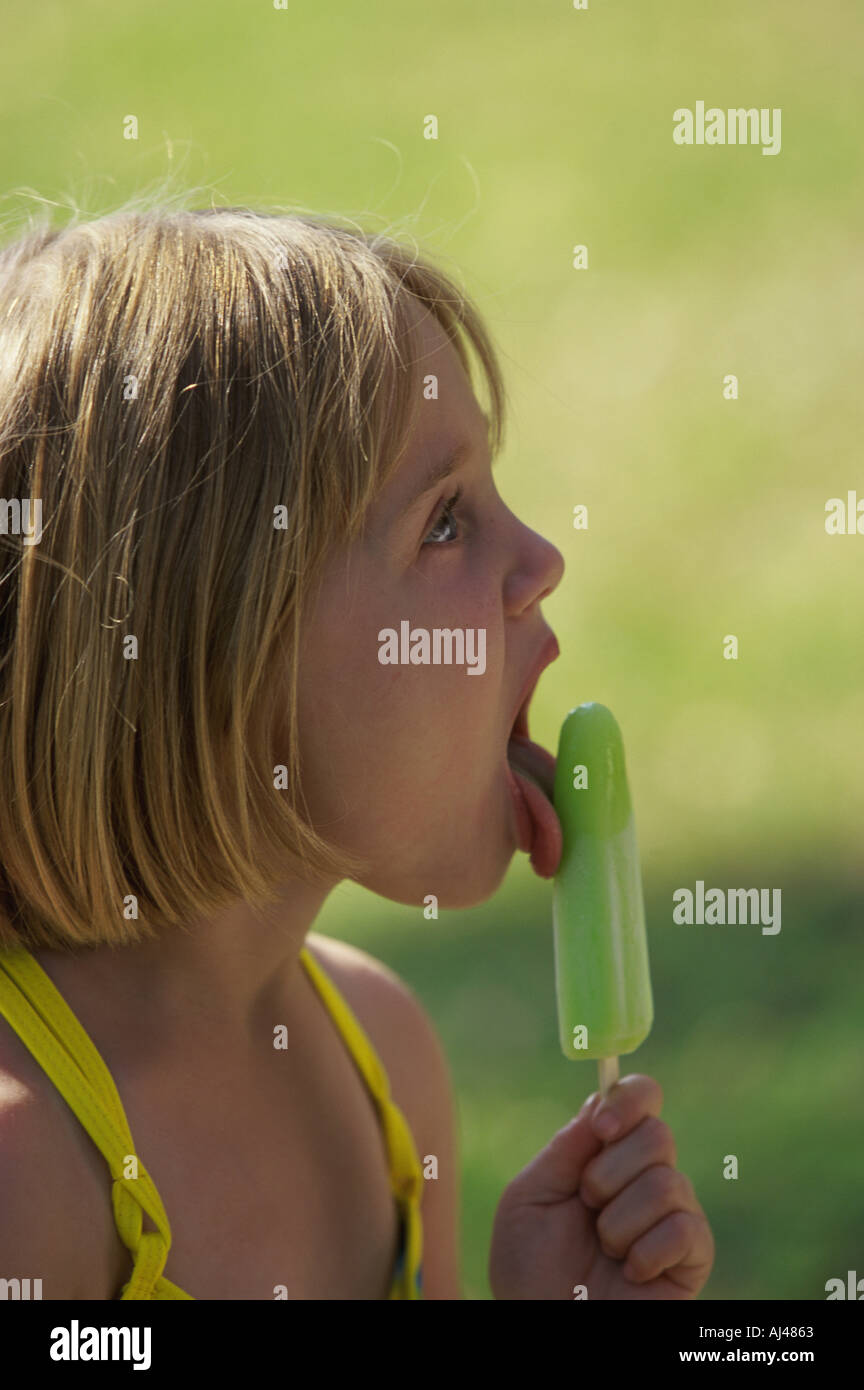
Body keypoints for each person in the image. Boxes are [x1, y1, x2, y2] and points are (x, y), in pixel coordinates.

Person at [0, 201, 714, 1299]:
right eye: (443, 520)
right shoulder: (27, 1176)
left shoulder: (382, 1055)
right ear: (216, 654)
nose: (541, 559)